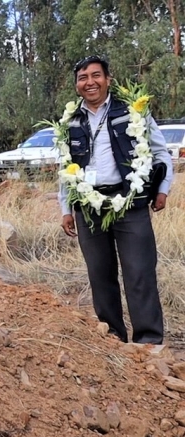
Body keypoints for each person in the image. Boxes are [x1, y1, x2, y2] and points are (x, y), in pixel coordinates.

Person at [59, 56, 173, 345]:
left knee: (139, 272)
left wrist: (162, 189)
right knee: (100, 274)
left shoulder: (132, 110)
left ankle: (148, 341)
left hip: (130, 204)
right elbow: (66, 166)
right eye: (83, 77)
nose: (90, 82)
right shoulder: (71, 120)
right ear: (77, 85)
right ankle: (112, 338)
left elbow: (160, 152)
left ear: (108, 79)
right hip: (88, 207)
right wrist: (66, 208)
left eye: (96, 75)